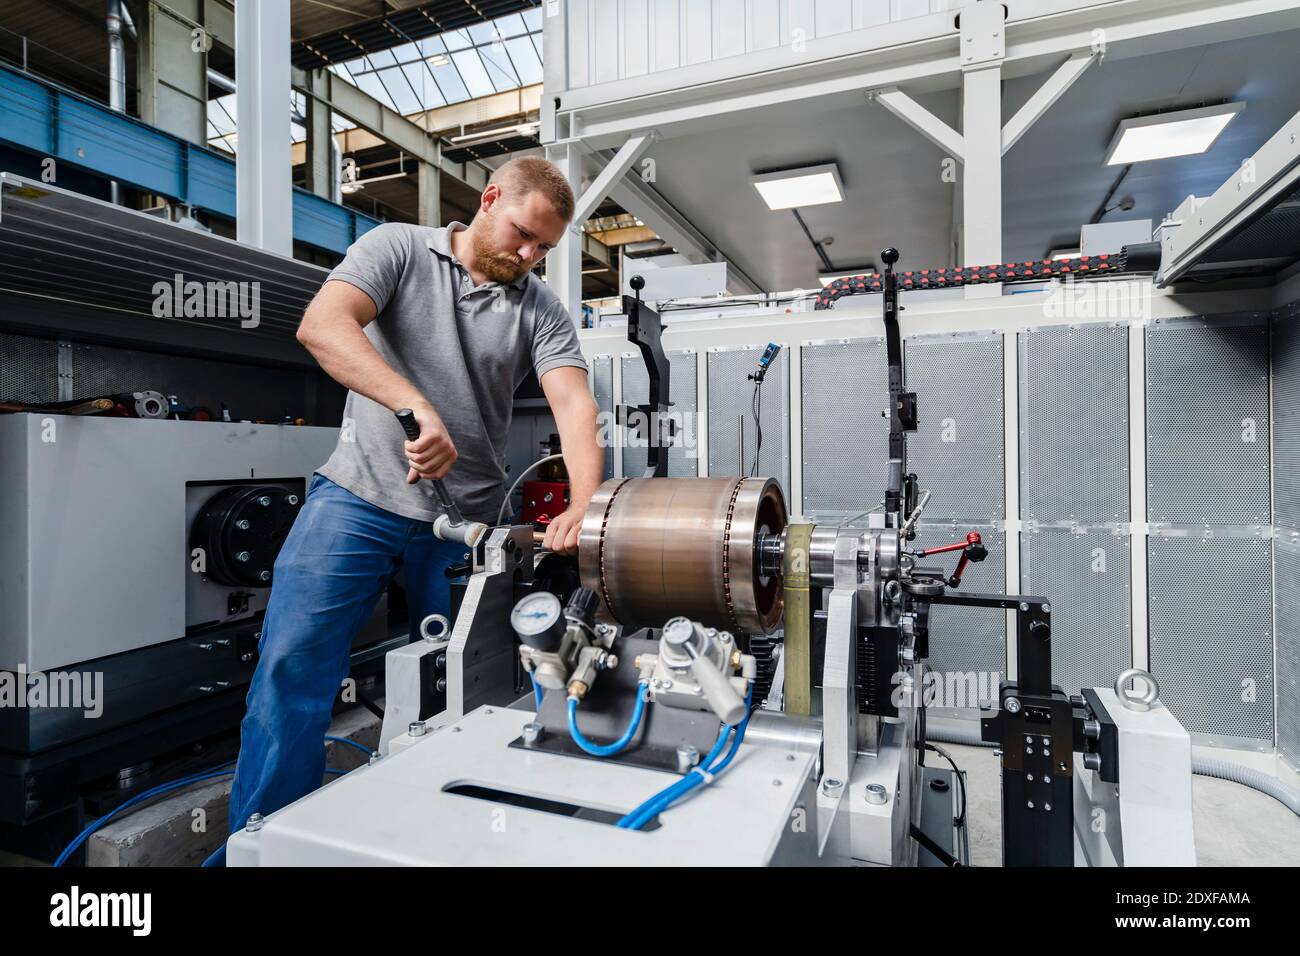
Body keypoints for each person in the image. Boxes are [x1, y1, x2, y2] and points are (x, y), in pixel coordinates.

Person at [223, 156, 602, 848]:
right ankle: (262, 846)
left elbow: (575, 406)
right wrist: (411, 403)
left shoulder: (539, 307)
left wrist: (586, 503)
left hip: (467, 527)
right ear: (489, 199)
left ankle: (440, 844)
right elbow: (323, 326)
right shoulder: (397, 249)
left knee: (468, 686)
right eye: (522, 235)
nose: (529, 255)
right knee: (292, 671)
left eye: (545, 247)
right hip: (358, 495)